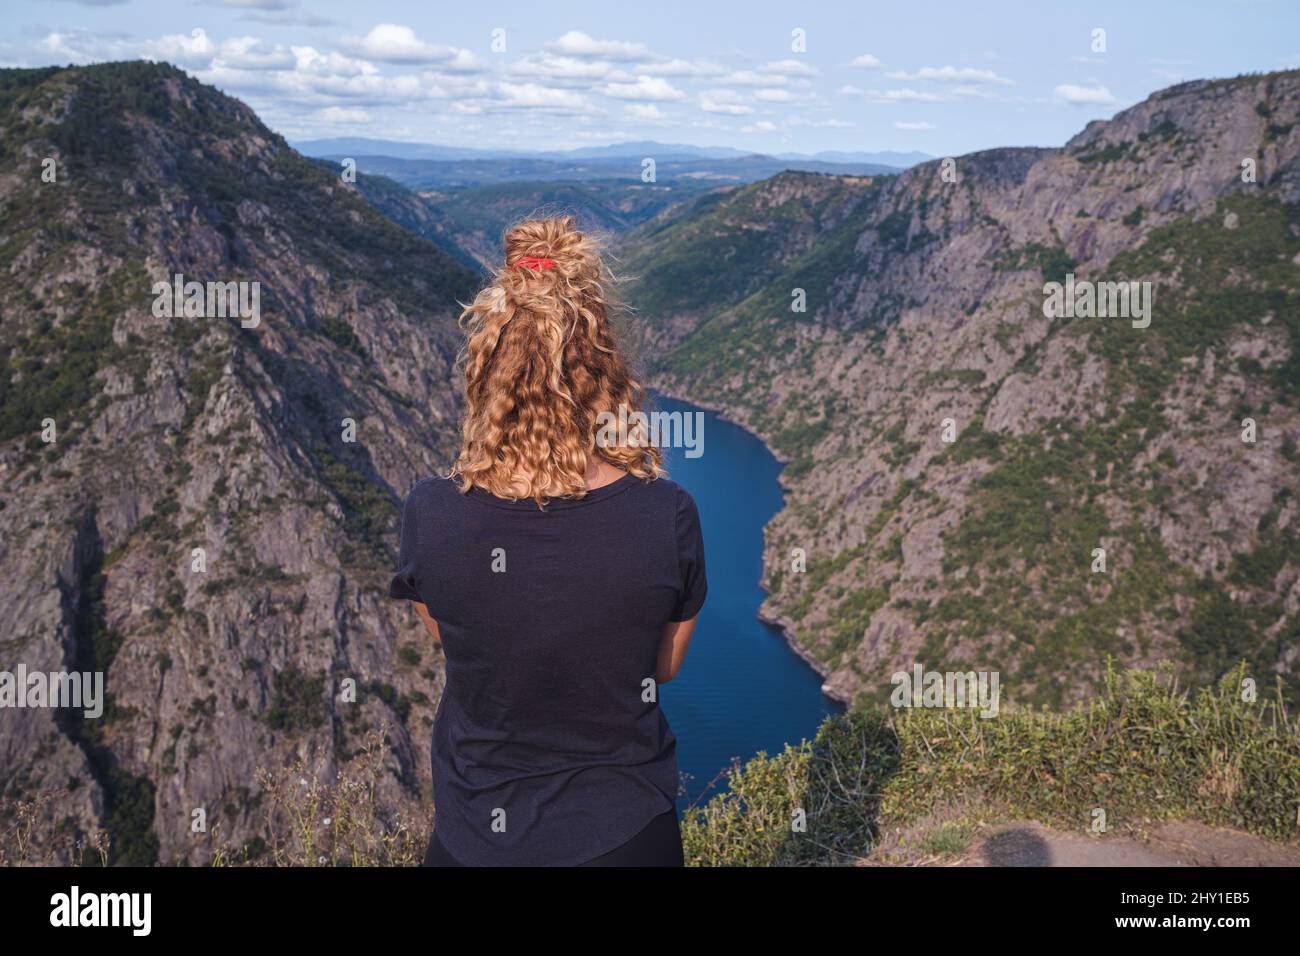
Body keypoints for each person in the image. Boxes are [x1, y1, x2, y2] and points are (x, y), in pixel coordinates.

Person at [389, 215, 707, 867]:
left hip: (476, 838)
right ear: (604, 367)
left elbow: (461, 640)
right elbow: (661, 668)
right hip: (627, 833)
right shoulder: (666, 514)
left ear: (489, 363)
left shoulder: (432, 514)